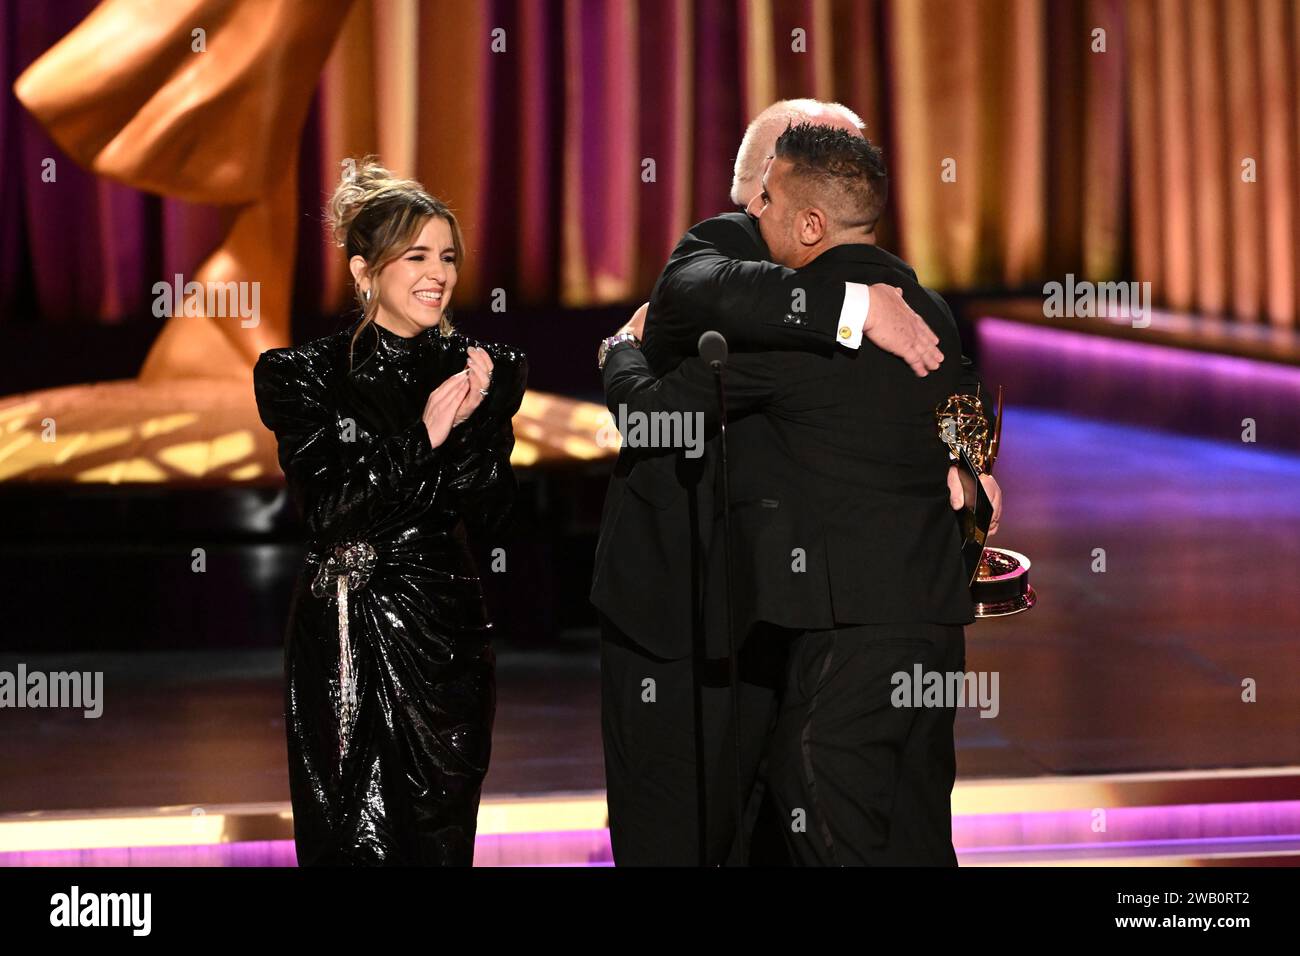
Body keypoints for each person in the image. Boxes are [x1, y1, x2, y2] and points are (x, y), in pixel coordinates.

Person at [591, 98, 998, 866]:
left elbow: (652, 417)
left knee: (827, 819)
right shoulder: (904, 303)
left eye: (773, 196)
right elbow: (691, 288)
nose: (757, 207)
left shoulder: (875, 317)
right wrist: (848, 309)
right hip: (712, 615)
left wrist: (619, 348)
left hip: (828, 629)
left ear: (814, 213)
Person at [252, 158, 527, 865]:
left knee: (439, 833)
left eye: (447, 257)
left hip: (444, 634)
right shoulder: (301, 375)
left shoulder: (480, 371)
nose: (437, 272)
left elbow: (496, 517)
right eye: (416, 256)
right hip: (343, 634)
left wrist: (474, 424)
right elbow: (332, 513)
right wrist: (424, 436)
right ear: (364, 271)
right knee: (350, 838)